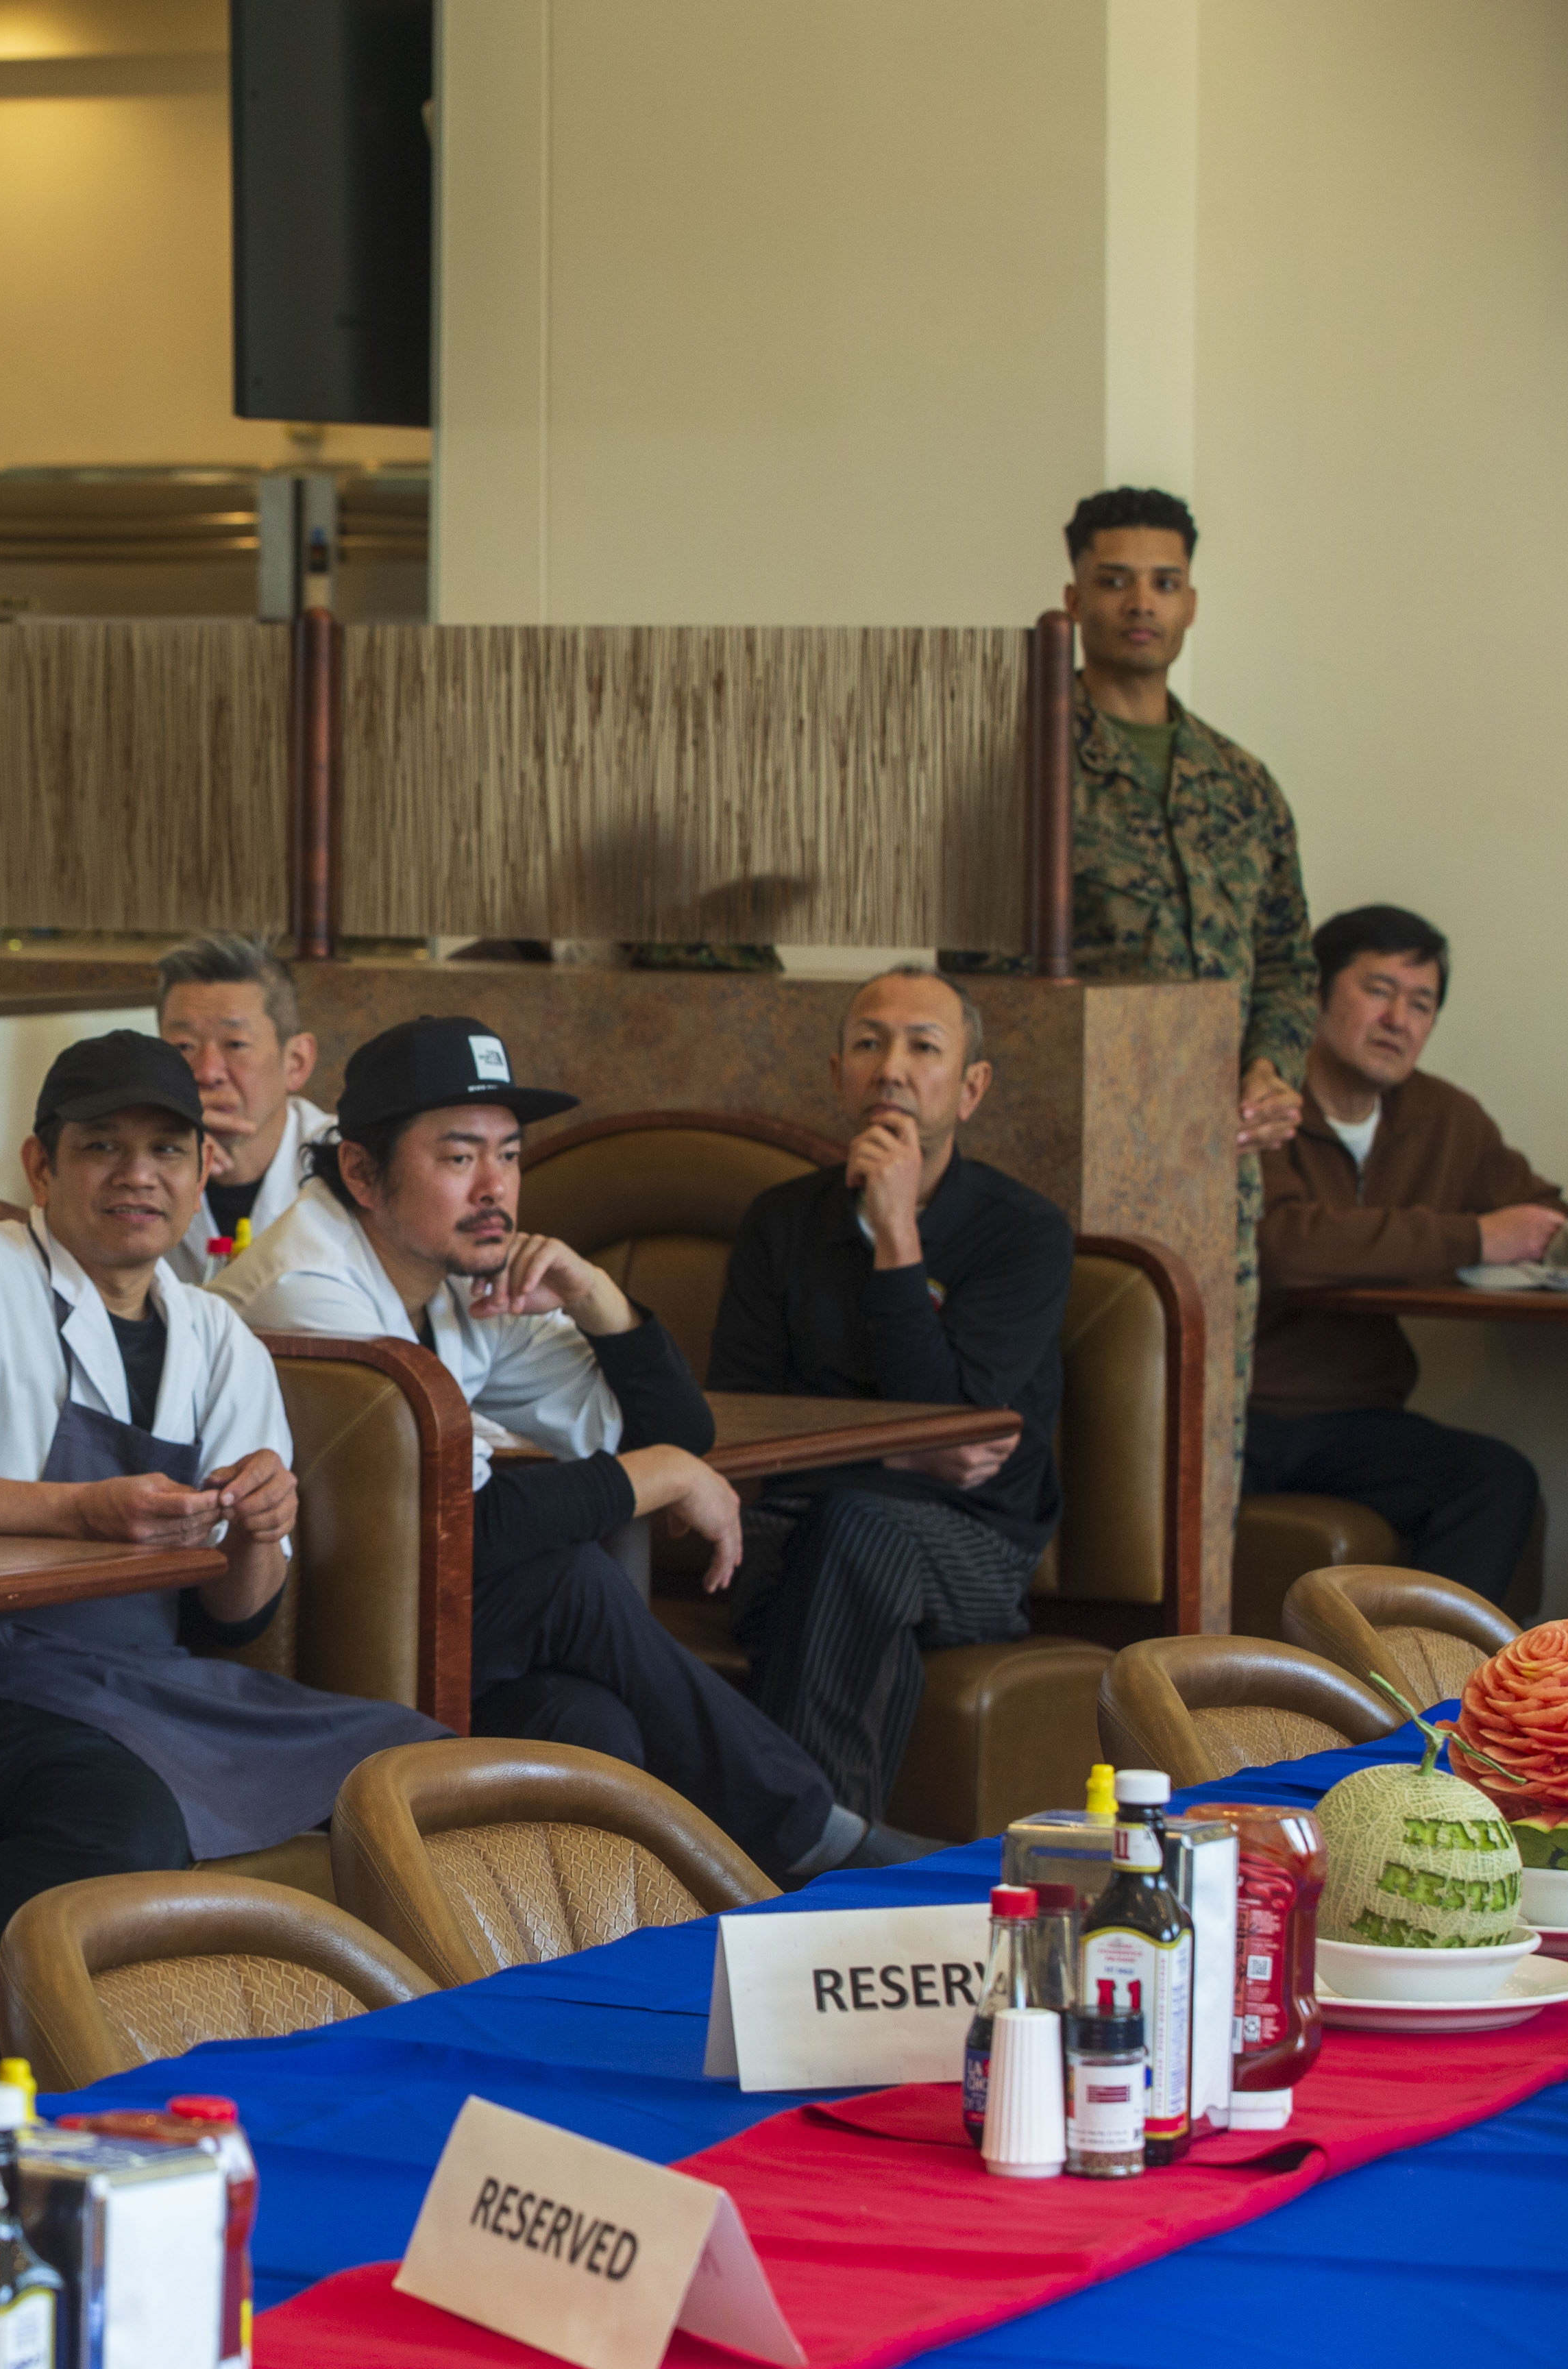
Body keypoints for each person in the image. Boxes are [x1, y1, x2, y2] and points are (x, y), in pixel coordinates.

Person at [0, 1033, 448, 2142]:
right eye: (100, 1148)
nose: (134, 1175)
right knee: (110, 1822)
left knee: (424, 1777)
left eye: (162, 1150)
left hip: (140, 1683)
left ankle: (353, 2110)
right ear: (40, 1167)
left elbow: (235, 1621)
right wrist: (73, 1514)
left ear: (199, 1175)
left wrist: (259, 1528)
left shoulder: (213, 1336)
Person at [215, 1016, 909, 1881]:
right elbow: (460, 1527)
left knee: (586, 1722)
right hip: (294, 1641)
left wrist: (599, 1296)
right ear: (361, 1170)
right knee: (569, 1583)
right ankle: (812, 1839)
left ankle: (651, 1963)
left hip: (405, 1620)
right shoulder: (309, 1289)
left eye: (508, 1156)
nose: (494, 1188)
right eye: (459, 1157)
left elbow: (671, 1432)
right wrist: (662, 1477)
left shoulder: (458, 1274)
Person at [953, 487, 1313, 1400]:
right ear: (1074, 600)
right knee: (1067, 1406)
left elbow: (1285, 960)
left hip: (1212, 1158)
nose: (1141, 603)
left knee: (1204, 1410)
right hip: (1069, 1152)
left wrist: (1273, 1069)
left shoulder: (1242, 784)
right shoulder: (1018, 769)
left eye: (1164, 583)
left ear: (1192, 602)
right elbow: (980, 972)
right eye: (1115, 582)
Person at [707, 968, 1073, 1817]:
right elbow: (737, 1412)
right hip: (787, 1528)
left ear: (970, 1088)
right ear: (840, 1073)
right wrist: (906, 1451)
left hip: (976, 1549)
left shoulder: (1024, 1235)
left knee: (857, 1530)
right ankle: (837, 1864)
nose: (892, 1067)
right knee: (846, 1553)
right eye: (869, 1043)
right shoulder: (781, 1222)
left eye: (923, 1047)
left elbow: (957, 1417)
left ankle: (781, 1856)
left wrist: (899, 1232)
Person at [1249, 905, 1565, 1606]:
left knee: (1498, 1479)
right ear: (1316, 996)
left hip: (1356, 1419)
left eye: (1421, 1004)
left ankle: (1430, 1705)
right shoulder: (1262, 1101)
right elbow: (1286, 1246)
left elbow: (1544, 1218)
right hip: (1242, 1411)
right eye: (1379, 990)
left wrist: (1539, 1240)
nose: (1400, 1019)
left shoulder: (1445, 1117)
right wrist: (1473, 1238)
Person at [153, 930, 330, 1283]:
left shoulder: (345, 1166)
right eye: (184, 1047)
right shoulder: (137, 1167)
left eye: (235, 1044)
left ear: (295, 1062)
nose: (206, 1073)